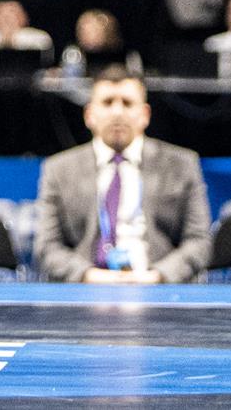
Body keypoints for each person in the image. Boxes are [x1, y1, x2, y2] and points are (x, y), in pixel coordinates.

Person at [33, 68, 211, 284]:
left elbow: (199, 242)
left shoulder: (182, 164)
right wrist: (88, 276)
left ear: (145, 115)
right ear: (89, 115)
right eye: (108, 102)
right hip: (86, 290)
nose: (117, 112)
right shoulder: (58, 169)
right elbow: (46, 247)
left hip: (158, 288)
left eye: (127, 103)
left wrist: (158, 276)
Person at [71, 8, 142, 76]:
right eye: (83, 30)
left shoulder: (128, 56)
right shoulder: (75, 56)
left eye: (93, 30)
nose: (86, 34)